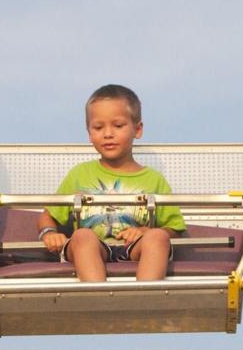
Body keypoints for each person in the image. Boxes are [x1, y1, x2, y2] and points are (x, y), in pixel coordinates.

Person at [36, 85, 185, 281]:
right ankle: (96, 295)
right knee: (82, 236)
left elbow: (174, 229)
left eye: (118, 126)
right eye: (98, 128)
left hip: (135, 250)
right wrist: (49, 233)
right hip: (92, 249)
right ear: (89, 133)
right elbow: (48, 215)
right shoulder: (79, 174)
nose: (108, 134)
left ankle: (145, 296)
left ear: (137, 129)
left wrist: (145, 231)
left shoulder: (154, 179)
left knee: (157, 237)